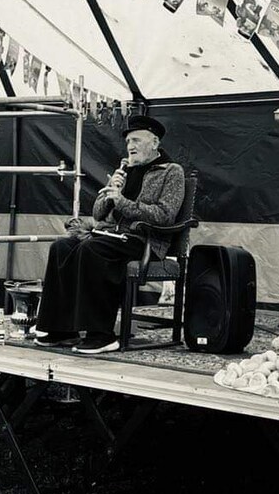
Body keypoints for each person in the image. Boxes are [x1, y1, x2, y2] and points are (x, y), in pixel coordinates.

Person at [34, 116, 185, 355]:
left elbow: (165, 215)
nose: (130, 146)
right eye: (127, 142)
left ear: (154, 142)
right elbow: (98, 214)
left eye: (136, 140)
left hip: (144, 241)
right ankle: (60, 329)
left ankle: (101, 335)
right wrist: (109, 193)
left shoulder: (171, 172)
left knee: (92, 250)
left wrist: (122, 202)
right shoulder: (125, 170)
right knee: (62, 247)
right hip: (112, 237)